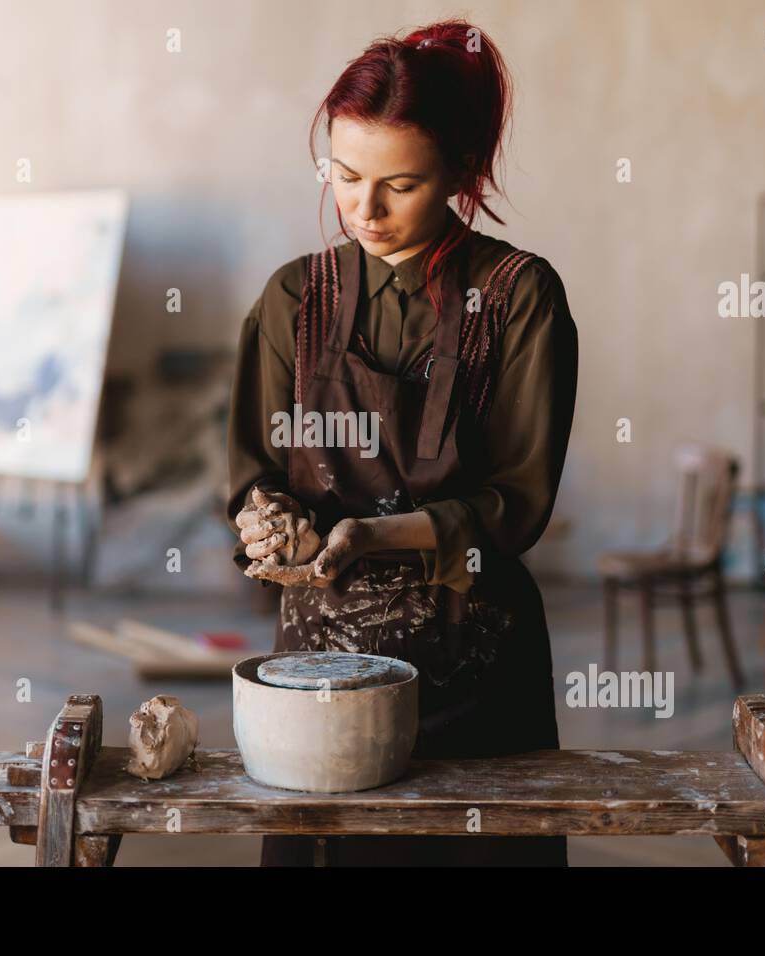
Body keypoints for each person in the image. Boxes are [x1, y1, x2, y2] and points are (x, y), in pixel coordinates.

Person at [226, 17, 579, 866]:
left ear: (460, 170)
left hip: (473, 658)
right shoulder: (293, 300)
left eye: (402, 185)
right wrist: (268, 522)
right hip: (318, 674)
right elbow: (253, 473)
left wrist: (372, 534)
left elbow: (517, 503)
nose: (366, 209)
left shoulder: (519, 296)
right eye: (346, 176)